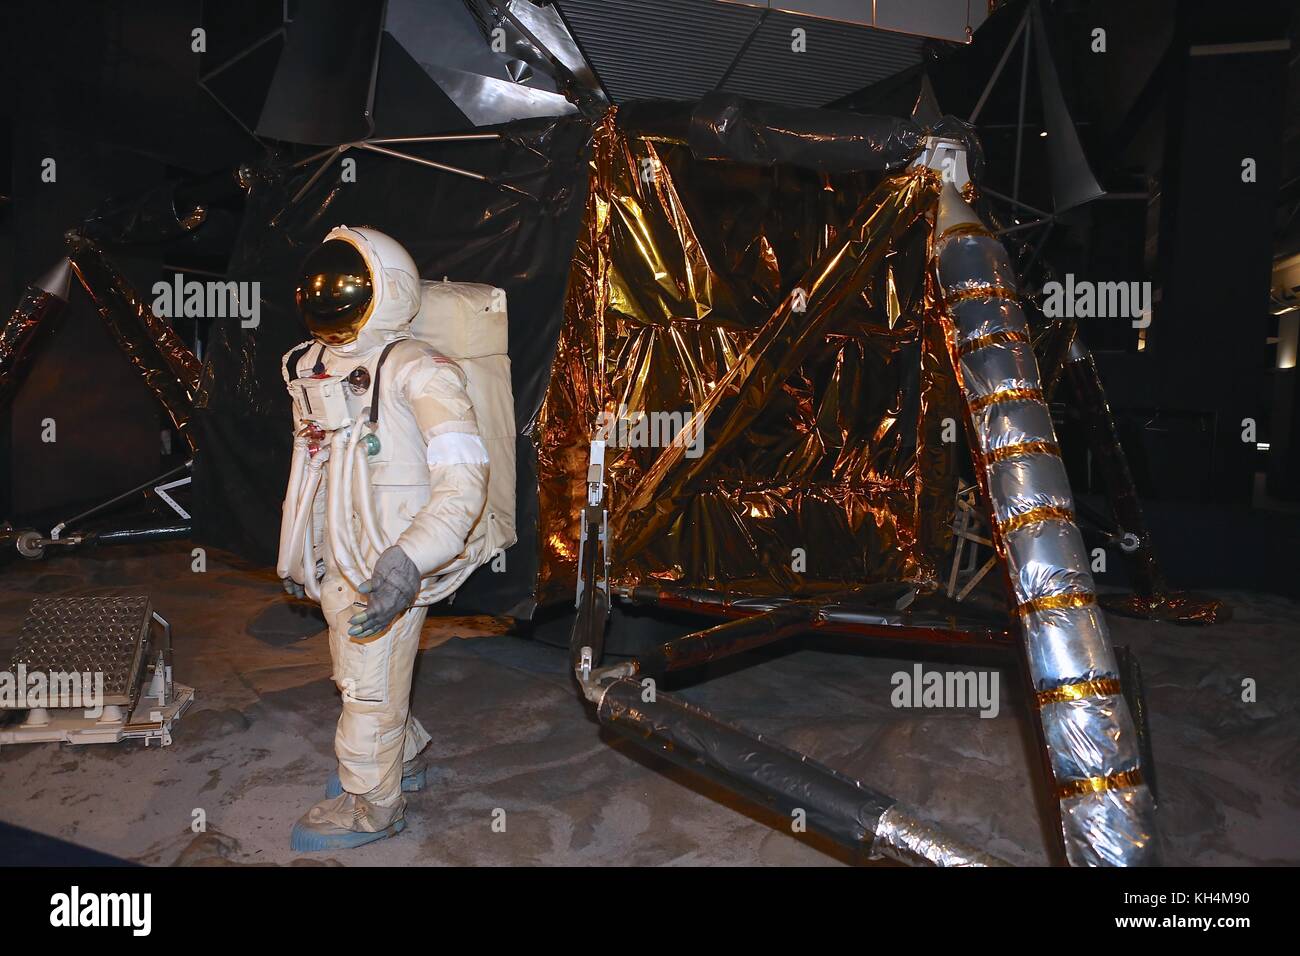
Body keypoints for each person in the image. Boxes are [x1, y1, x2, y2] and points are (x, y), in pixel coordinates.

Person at [277, 225, 489, 851]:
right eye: (322, 286)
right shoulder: (313, 366)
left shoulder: (421, 371)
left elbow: (464, 478)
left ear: (386, 290)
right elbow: (311, 464)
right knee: (354, 671)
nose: (329, 298)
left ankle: (373, 802)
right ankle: (405, 754)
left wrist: (408, 559)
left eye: (346, 286)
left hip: (393, 554)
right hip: (341, 554)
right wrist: (298, 551)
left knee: (368, 680)